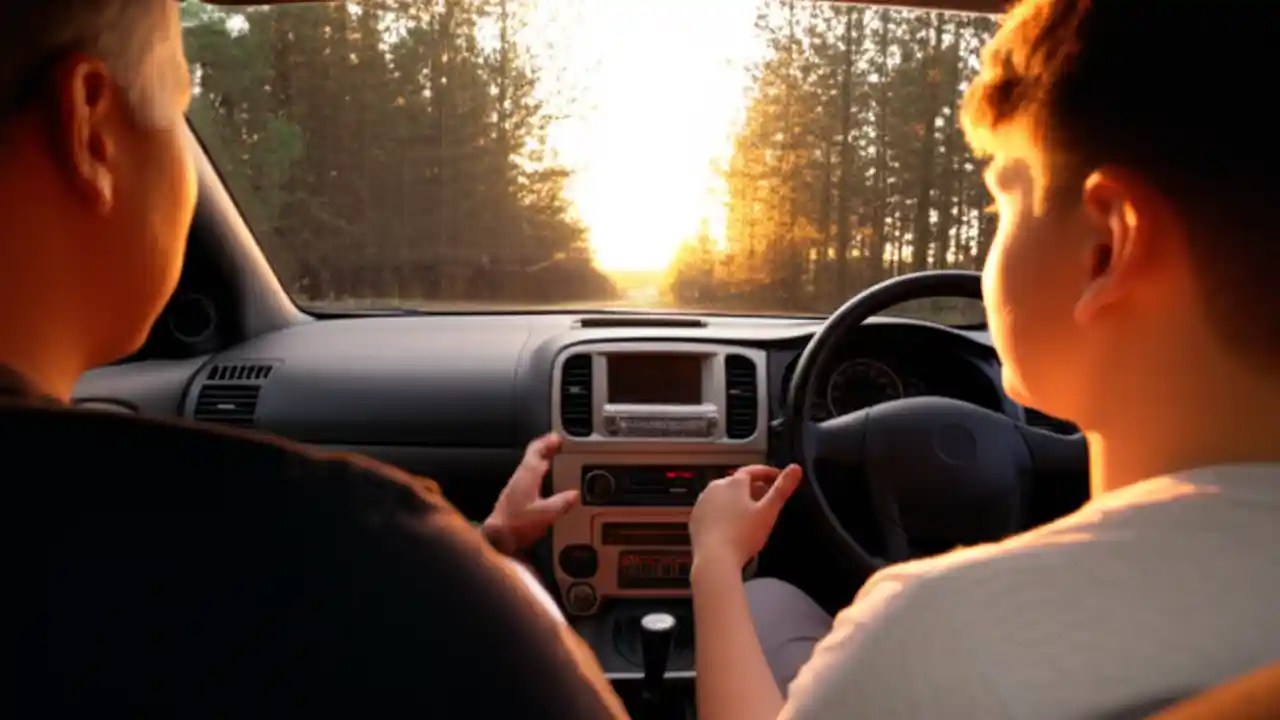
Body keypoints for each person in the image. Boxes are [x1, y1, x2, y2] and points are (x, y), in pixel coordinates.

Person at [0, 1, 622, 715]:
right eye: (181, 103)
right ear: (92, 131)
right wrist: (488, 586)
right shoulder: (368, 575)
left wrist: (489, 554)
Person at [688, 1, 1280, 718]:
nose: (985, 247)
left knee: (767, 598)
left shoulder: (934, 641)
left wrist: (715, 562)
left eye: (1002, 203)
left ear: (1108, 248)